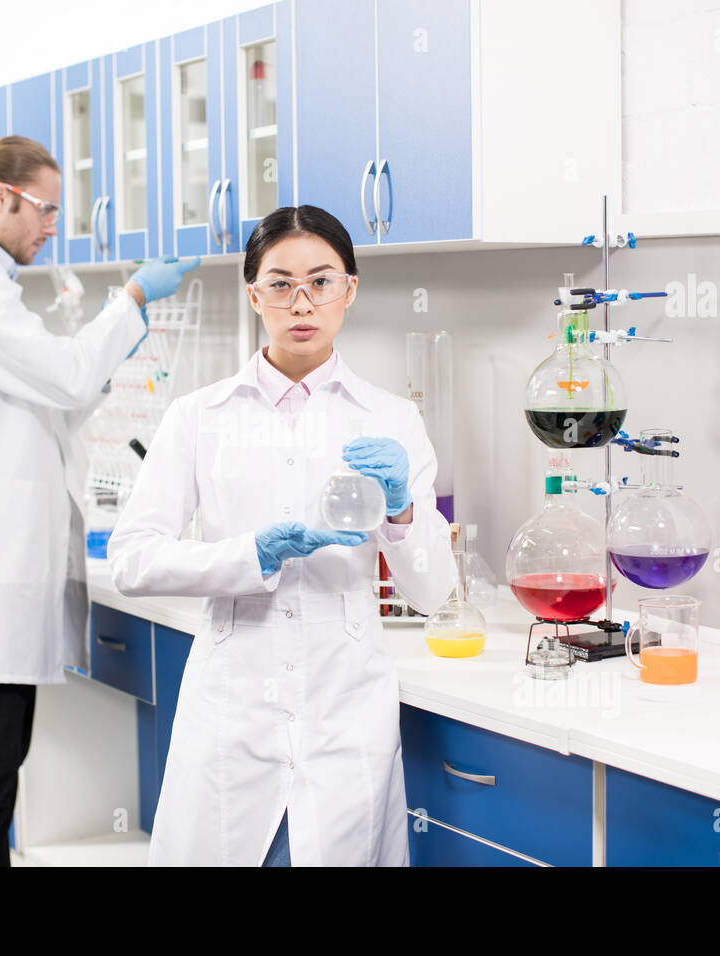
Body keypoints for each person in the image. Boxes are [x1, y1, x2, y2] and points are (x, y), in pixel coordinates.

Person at [107, 205, 456, 866]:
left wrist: (404, 511)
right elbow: (132, 559)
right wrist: (250, 555)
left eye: (321, 282)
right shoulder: (198, 417)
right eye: (280, 284)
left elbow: (435, 592)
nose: (302, 302)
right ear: (253, 295)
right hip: (234, 714)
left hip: (344, 712)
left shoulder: (391, 419)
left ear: (350, 289)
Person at [0, 134, 198, 866]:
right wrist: (128, 301)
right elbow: (61, 378)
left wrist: (104, 359)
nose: (53, 225)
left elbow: (49, 403)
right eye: (46, 209)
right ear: (1, 197)